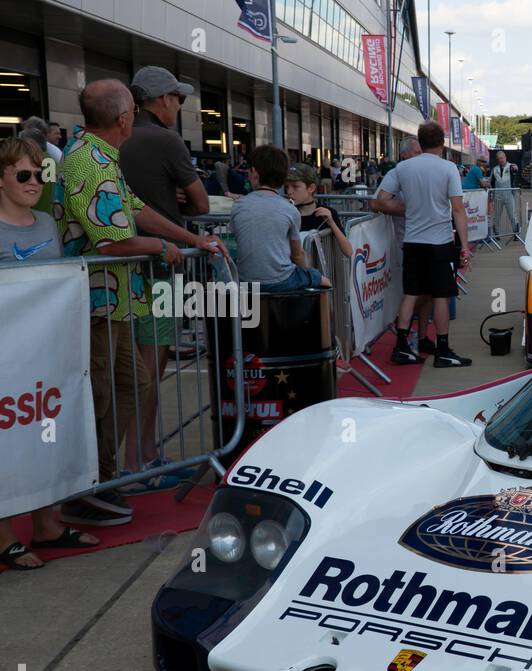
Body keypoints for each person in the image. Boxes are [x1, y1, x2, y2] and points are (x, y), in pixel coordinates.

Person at [55, 79, 222, 527]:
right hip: (96, 305)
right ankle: (87, 488)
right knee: (105, 394)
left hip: (117, 304)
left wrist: (192, 240)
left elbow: (136, 209)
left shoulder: (102, 158)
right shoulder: (88, 163)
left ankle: (103, 479)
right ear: (124, 117)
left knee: (133, 385)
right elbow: (112, 242)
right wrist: (158, 248)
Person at [0, 136, 101, 568]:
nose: (33, 182)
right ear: (0, 179)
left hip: (45, 355)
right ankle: (3, 536)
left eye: (40, 174)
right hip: (7, 359)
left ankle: (47, 524)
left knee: (44, 432)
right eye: (23, 174)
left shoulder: (45, 224)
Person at [119, 65, 210, 492]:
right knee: (151, 370)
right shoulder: (164, 140)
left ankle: (129, 459)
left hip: (116, 268)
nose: (180, 105)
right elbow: (201, 203)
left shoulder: (111, 143)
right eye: (178, 98)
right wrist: (179, 202)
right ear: (160, 99)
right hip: (157, 266)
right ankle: (141, 460)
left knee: (126, 371)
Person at [371, 120, 472, 367]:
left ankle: (402, 347)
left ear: (421, 141)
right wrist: (465, 245)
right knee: (441, 296)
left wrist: (406, 208)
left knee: (411, 293)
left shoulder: (403, 169)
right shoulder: (448, 168)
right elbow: (457, 209)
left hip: (413, 241)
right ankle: (443, 349)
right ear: (441, 143)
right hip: (439, 241)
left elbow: (380, 200)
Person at [230, 144, 329, 293]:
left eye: (248, 171)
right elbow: (297, 254)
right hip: (281, 280)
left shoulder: (238, 205)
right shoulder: (290, 210)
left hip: (245, 281)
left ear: (255, 172)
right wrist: (306, 274)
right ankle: (328, 315)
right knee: (320, 278)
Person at [286, 162, 353, 259]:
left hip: (320, 271)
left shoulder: (326, 213)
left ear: (311, 188)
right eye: (287, 187)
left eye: (295, 187)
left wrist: (332, 223)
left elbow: (348, 251)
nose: (289, 192)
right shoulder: (287, 214)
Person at [489, 150, 519, 242]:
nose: (500, 160)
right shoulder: (494, 169)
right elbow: (491, 182)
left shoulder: (511, 167)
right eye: (498, 159)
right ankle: (496, 233)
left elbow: (516, 170)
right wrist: (491, 194)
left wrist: (515, 168)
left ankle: (516, 233)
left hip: (509, 194)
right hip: (497, 195)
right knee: (497, 215)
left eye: (501, 158)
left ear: (505, 157)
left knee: (512, 215)